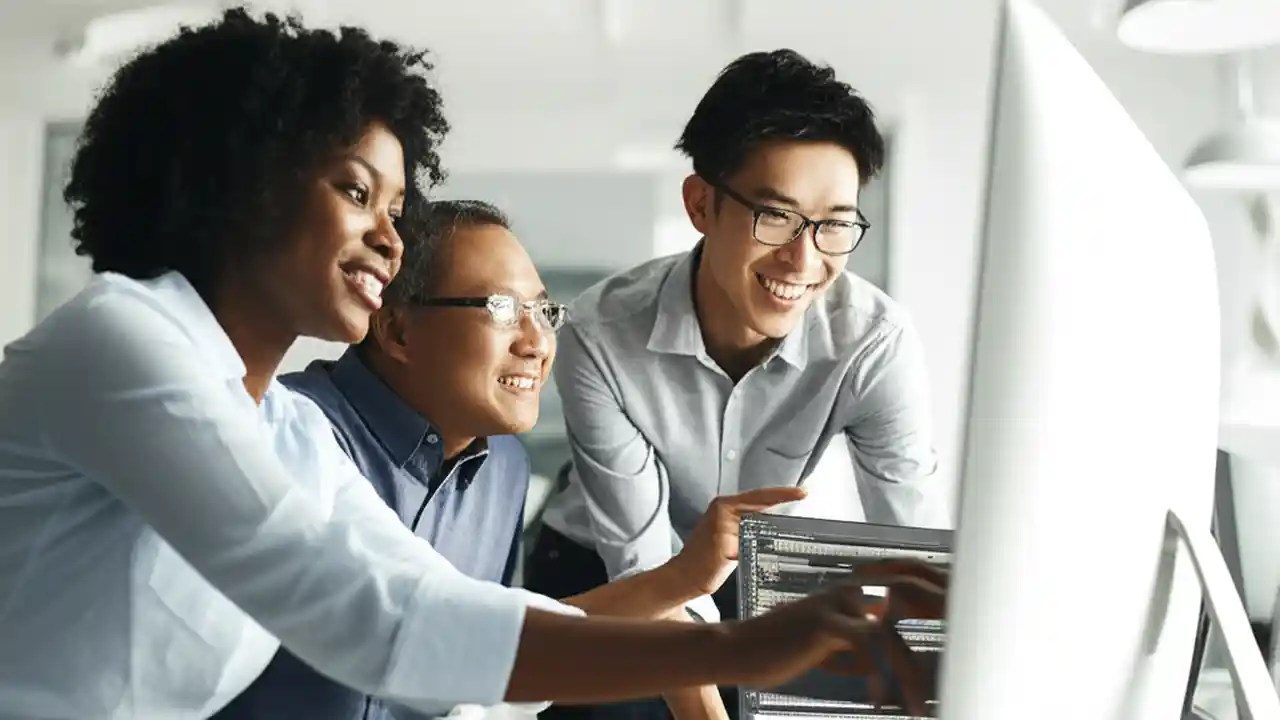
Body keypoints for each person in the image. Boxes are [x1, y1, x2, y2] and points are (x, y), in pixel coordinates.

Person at [0, 12, 943, 720]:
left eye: (398, 204)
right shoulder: (123, 340)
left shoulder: (285, 432)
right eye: (357, 193)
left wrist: (694, 588)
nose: (390, 237)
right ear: (240, 186)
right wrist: (753, 644)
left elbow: (440, 609)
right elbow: (369, 622)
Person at [219, 199, 799, 720]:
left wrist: (683, 580)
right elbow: (425, 632)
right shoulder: (288, 430)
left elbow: (494, 653)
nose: (537, 341)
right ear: (396, 329)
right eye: (501, 308)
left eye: (545, 312)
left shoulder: (503, 468)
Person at [528, 48, 941, 720]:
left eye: (834, 224)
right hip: (606, 563)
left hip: (770, 573)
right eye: (774, 216)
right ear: (701, 204)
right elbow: (642, 564)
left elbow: (909, 548)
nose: (804, 261)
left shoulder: (875, 343)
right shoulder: (602, 332)